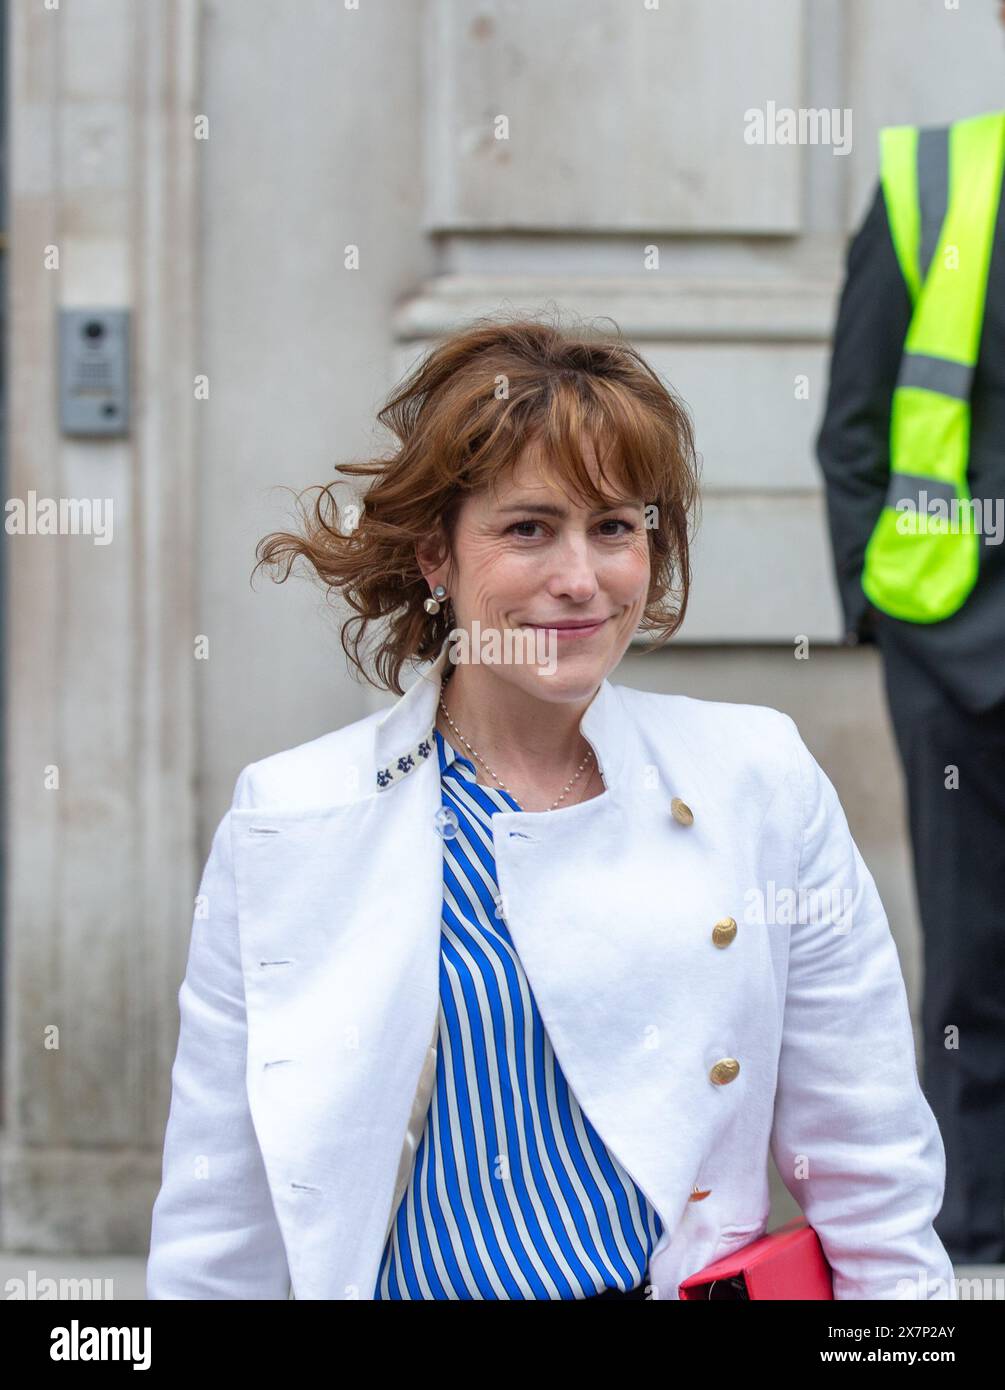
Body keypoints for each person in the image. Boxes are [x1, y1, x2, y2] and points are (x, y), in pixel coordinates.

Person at [147, 316, 954, 1300]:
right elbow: (219, 1223)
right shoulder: (294, 818)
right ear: (437, 556)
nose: (580, 579)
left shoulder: (759, 780)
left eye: (614, 526)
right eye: (528, 527)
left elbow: (869, 1171)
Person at [816, 91, 1005, 1262]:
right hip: (956, 636)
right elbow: (852, 425)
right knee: (975, 950)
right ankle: (975, 1237)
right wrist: (882, 612)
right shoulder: (934, 183)